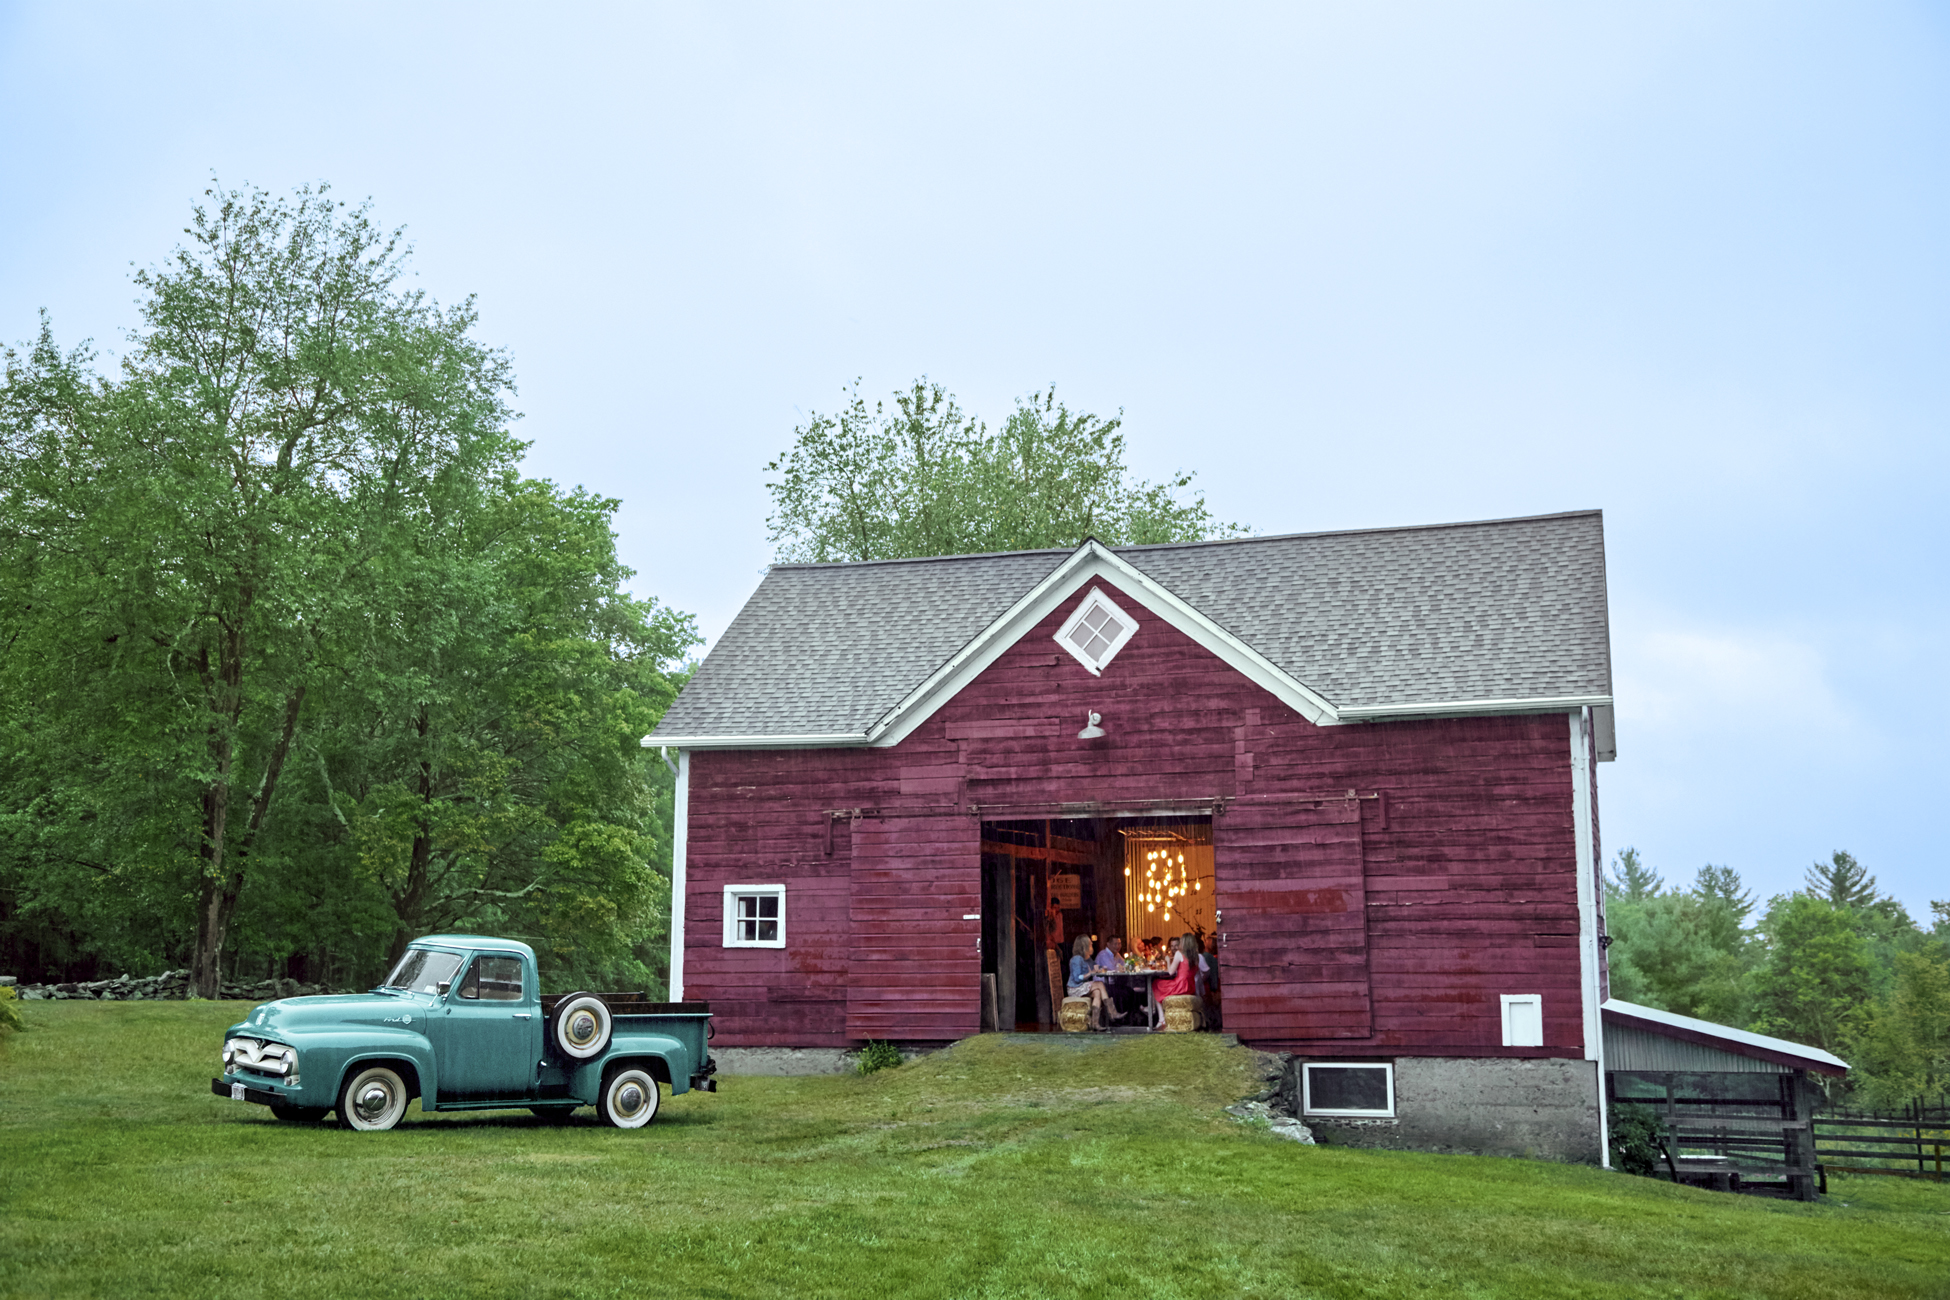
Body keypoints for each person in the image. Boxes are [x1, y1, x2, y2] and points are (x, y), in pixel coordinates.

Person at [1150, 934, 1197, 1029]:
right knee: (1159, 983)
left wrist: (1167, 960)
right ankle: (1157, 1011)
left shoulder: (1179, 954)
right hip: (1190, 987)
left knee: (1155, 983)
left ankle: (1160, 1017)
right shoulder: (1195, 956)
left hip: (1180, 986)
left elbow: (1171, 972)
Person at [1066, 935, 1111, 1030]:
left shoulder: (1088, 959)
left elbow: (1096, 968)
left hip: (1083, 987)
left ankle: (1095, 1023)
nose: (1092, 946)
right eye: (1090, 944)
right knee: (1099, 984)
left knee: (1097, 992)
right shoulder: (1077, 959)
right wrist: (1090, 973)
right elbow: (1077, 978)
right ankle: (1111, 1011)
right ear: (1084, 946)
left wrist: (1102, 969)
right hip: (1075, 988)